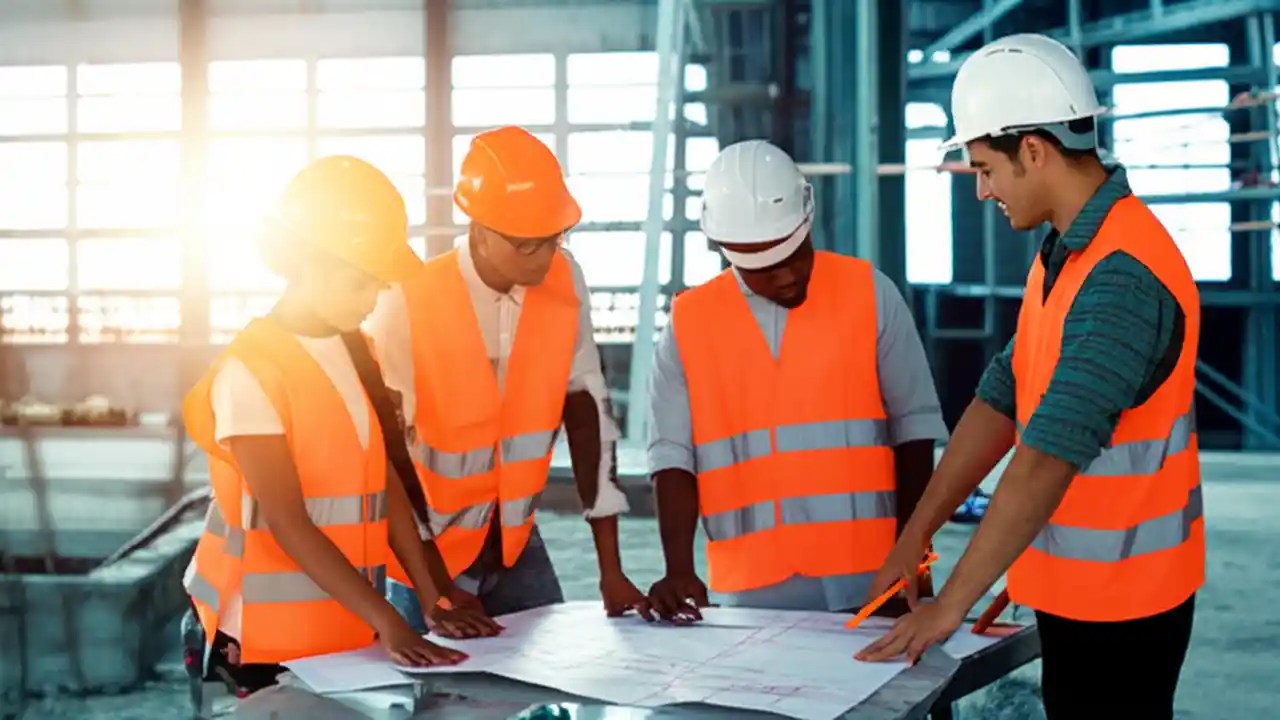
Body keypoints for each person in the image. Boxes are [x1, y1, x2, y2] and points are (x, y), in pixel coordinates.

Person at [856, 34, 1202, 720]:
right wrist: (915, 535)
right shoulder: (1066, 254)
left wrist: (947, 608)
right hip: (1081, 597)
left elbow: (1044, 457)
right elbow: (1002, 397)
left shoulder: (1120, 279)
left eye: (985, 167)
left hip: (1127, 610)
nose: (981, 189)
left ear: (1035, 150)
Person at [181, 156, 499, 697]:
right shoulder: (251, 369)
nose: (373, 300)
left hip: (343, 627)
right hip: (261, 638)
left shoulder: (357, 351)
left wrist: (430, 597)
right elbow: (288, 522)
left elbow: (385, 483)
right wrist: (392, 623)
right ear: (308, 262)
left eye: (378, 285)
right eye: (360, 283)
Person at [645, 139, 949, 621]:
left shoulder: (870, 294)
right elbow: (671, 457)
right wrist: (678, 567)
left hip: (873, 575)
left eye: (795, 253)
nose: (786, 276)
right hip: (749, 589)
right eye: (764, 267)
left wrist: (913, 551)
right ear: (727, 249)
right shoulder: (688, 324)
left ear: (808, 219)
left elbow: (914, 432)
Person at [368, 125, 652, 628]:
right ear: (478, 231)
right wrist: (437, 589)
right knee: (437, 700)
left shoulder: (564, 283)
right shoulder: (406, 304)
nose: (545, 256)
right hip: (428, 554)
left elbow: (587, 417)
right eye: (526, 245)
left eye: (553, 239)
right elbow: (385, 460)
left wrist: (611, 570)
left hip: (514, 541)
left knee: (543, 695)